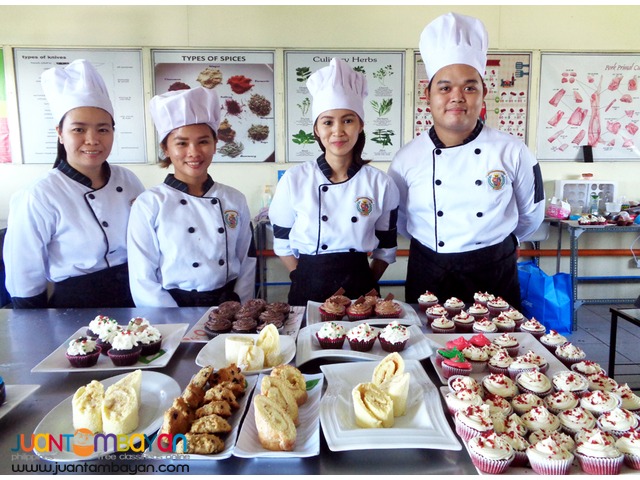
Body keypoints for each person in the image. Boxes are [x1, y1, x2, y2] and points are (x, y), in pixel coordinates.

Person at [388, 12, 545, 310]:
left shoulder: (513, 151)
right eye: (445, 88)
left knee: (499, 351)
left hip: (494, 272)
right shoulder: (406, 158)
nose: (457, 97)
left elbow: (531, 215)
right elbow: (403, 221)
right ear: (428, 95)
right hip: (429, 272)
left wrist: (493, 246)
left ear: (483, 94)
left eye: (470, 87)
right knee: (427, 351)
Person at [3, 59, 145, 309]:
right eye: (79, 130)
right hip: (75, 306)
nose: (92, 140)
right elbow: (23, 272)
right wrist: (34, 326)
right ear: (59, 132)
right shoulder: (38, 195)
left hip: (137, 296)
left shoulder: (128, 180)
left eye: (103, 130)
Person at [269, 57, 400, 306]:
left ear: (360, 125)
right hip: (308, 284)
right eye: (328, 122)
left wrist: (367, 283)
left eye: (348, 120)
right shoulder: (294, 179)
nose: (338, 131)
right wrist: (301, 276)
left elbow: (386, 246)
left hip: (360, 287)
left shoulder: (380, 184)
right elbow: (282, 241)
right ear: (317, 129)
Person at [127, 87, 257, 307]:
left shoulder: (234, 199)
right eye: (182, 143)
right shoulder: (150, 203)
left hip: (228, 305)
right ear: (165, 148)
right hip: (172, 307)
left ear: (215, 144)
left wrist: (239, 306)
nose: (194, 152)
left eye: (203, 141)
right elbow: (142, 277)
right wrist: (169, 317)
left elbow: (247, 260)